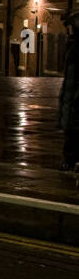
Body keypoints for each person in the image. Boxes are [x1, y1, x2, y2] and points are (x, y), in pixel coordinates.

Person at [60, 10, 79, 171]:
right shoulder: (72, 48)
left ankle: (71, 160)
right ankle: (69, 160)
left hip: (74, 103)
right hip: (72, 102)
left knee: (73, 133)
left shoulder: (75, 49)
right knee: (71, 134)